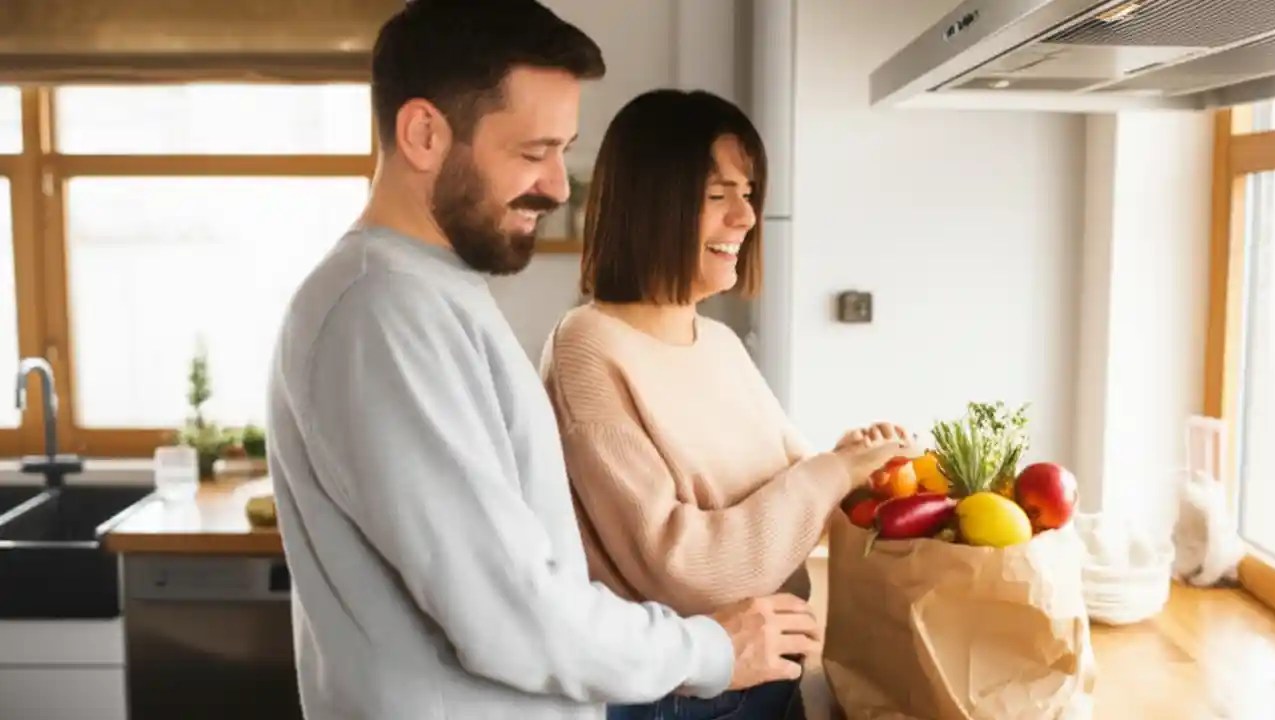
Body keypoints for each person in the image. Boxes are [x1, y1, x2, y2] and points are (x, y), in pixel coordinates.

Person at [264, 2, 900, 719]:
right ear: (424, 134)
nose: (561, 187)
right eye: (533, 153)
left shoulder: (434, 296)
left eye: (561, 152)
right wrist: (713, 650)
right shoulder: (381, 312)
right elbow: (511, 610)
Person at [539, 89, 913, 720]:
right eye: (718, 196)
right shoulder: (588, 348)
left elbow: (796, 497)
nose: (745, 217)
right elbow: (684, 566)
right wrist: (829, 474)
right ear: (651, 203)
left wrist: (855, 461)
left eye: (749, 192)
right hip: (684, 701)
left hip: (767, 677)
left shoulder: (717, 342)